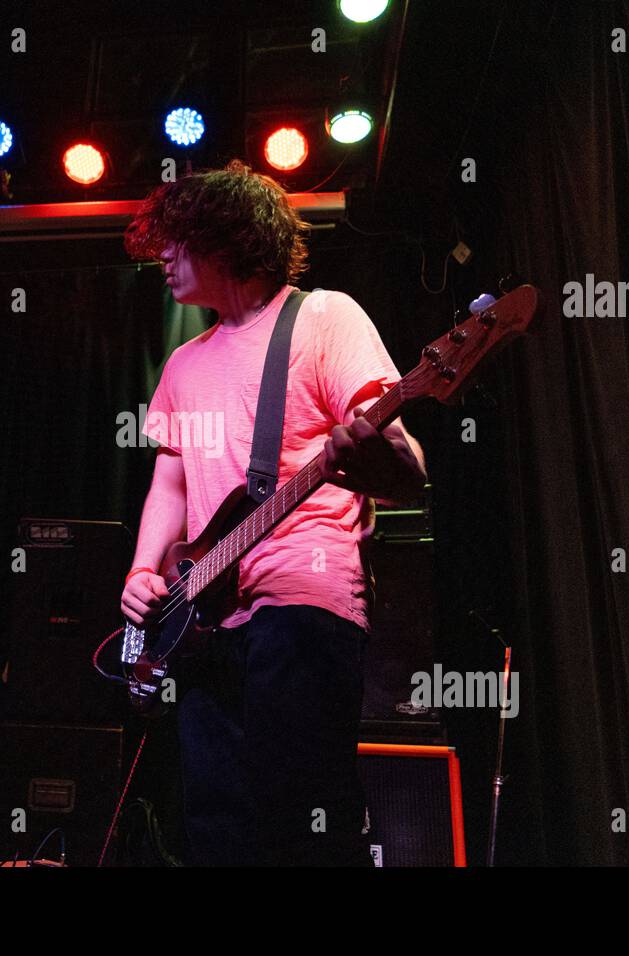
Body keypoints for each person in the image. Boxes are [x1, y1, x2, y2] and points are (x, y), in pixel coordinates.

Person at [120, 160, 427, 865]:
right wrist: (142, 569)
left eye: (178, 239)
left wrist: (388, 461)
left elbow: (398, 453)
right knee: (218, 823)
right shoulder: (183, 365)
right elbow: (170, 485)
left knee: (302, 812)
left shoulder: (324, 316)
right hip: (200, 614)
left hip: (302, 592)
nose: (164, 256)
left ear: (225, 238)